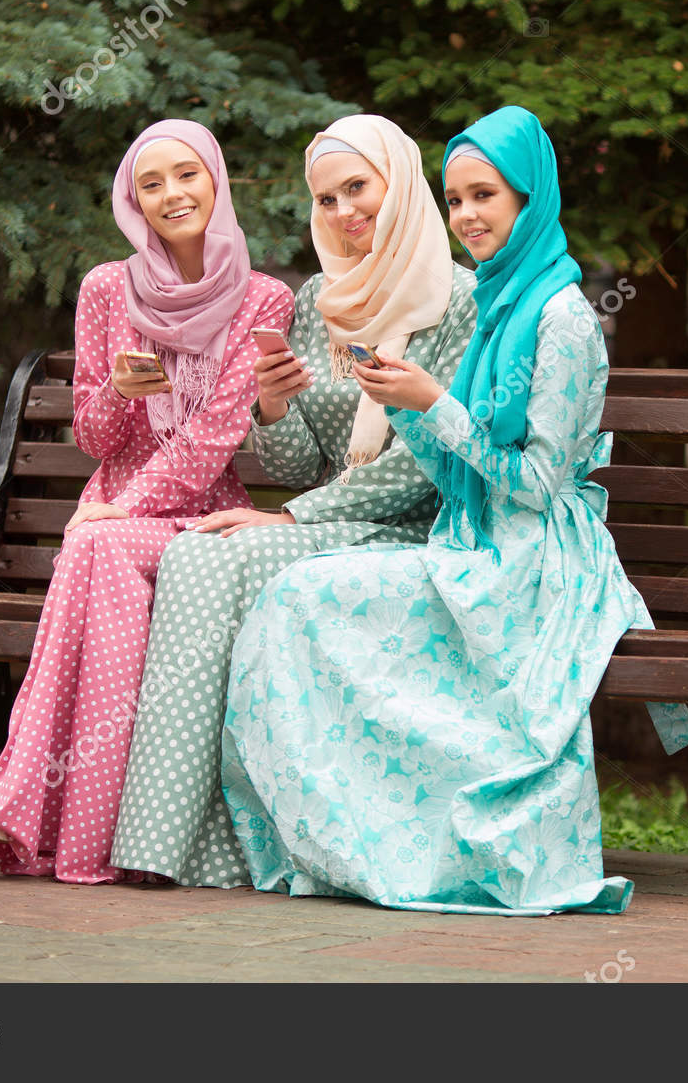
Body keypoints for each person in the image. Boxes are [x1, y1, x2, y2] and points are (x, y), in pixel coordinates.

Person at [218, 106, 688, 916]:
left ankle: (439, 852)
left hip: (537, 560)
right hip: (467, 539)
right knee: (298, 598)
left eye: (486, 196)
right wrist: (403, 406)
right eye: (455, 200)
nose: (469, 216)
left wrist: (434, 403)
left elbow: (541, 484)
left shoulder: (562, 316)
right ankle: (354, 845)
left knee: (311, 599)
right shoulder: (497, 304)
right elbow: (452, 465)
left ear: (529, 198)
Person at [109, 115, 478, 884]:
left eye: (358, 189)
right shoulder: (320, 302)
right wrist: (272, 409)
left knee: (232, 548)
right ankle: (161, 846)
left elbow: (432, 460)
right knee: (199, 555)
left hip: (420, 535)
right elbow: (305, 464)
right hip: (332, 525)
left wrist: (290, 517)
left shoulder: (460, 300)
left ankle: (216, 843)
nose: (345, 211)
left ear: (399, 186)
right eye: (327, 197)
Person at [0, 119, 294, 884]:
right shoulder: (108, 288)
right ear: (131, 200)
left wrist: (127, 505)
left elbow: (215, 438)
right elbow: (92, 434)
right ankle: (87, 838)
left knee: (93, 541)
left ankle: (24, 803)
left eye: (187, 175)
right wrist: (117, 389)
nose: (172, 193)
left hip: (201, 514)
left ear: (217, 181)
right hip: (115, 507)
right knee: (95, 548)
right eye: (152, 183)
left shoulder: (263, 299)